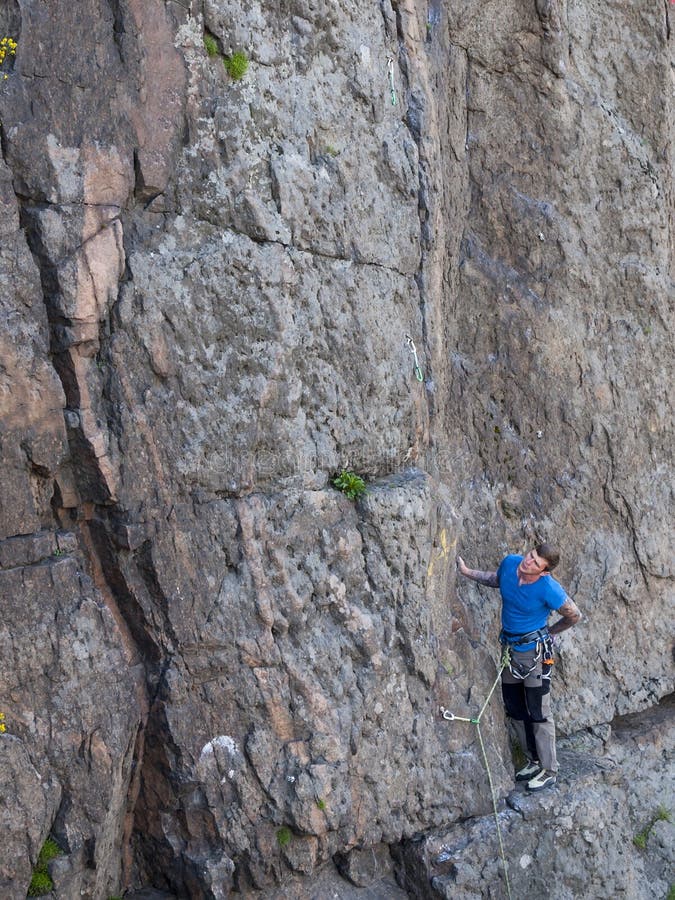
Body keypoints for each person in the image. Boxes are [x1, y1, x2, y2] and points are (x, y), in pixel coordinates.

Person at [457, 544, 581, 791]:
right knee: (514, 707)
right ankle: (533, 760)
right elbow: (497, 579)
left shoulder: (548, 588)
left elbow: (574, 615)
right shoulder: (511, 563)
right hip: (510, 650)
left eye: (536, 563)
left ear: (544, 571)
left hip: (535, 654)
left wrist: (550, 632)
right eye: (531, 555)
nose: (529, 562)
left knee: (538, 710)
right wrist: (467, 572)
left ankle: (549, 770)